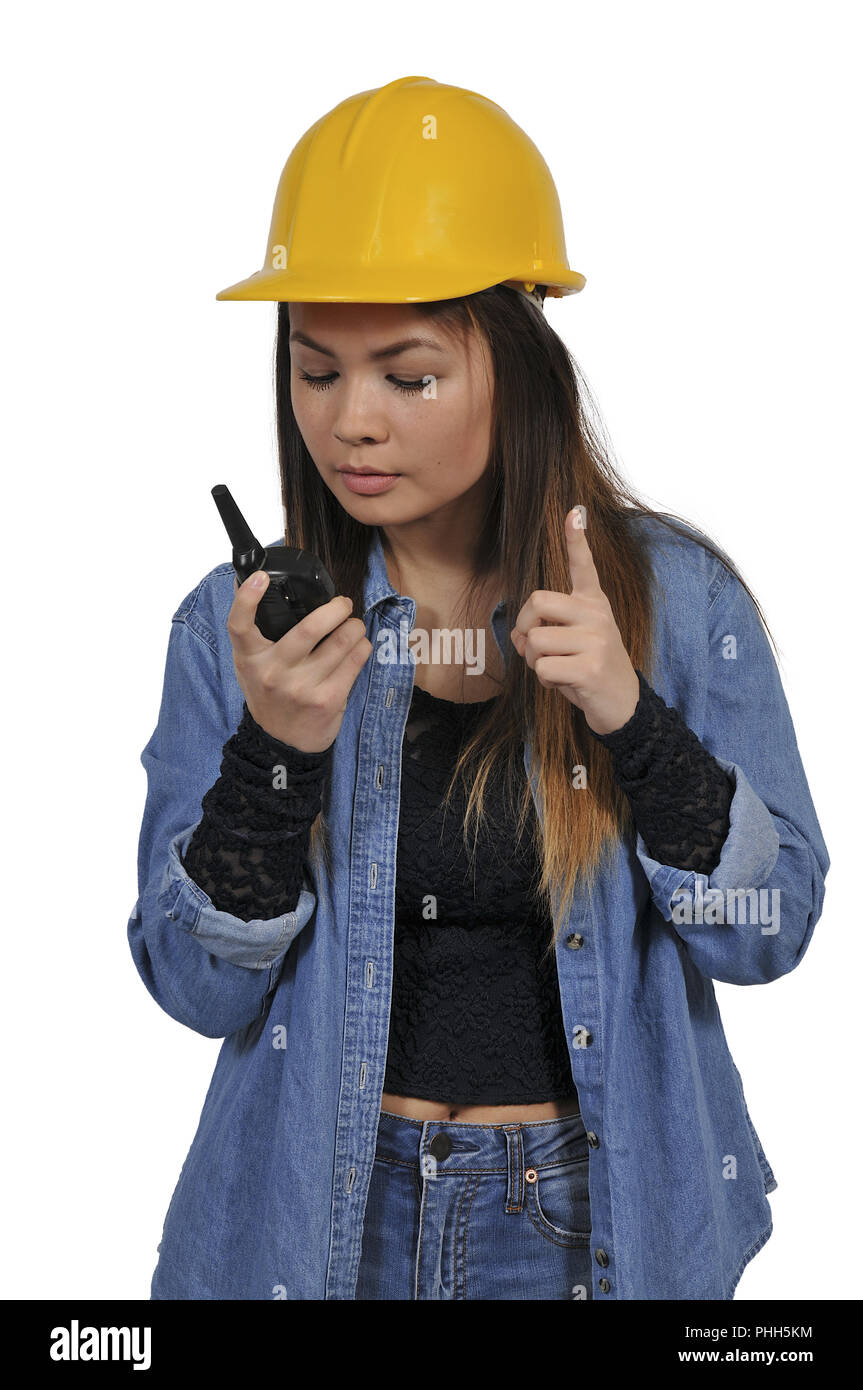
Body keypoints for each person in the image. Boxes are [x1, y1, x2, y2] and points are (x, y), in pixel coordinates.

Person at [128, 76, 830, 1300]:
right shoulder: (238, 626)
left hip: (586, 1220)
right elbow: (194, 987)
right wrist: (276, 754)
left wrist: (628, 717)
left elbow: (767, 936)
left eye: (407, 377)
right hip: (321, 1220)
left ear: (514, 366)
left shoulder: (675, 604)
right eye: (314, 371)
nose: (350, 423)